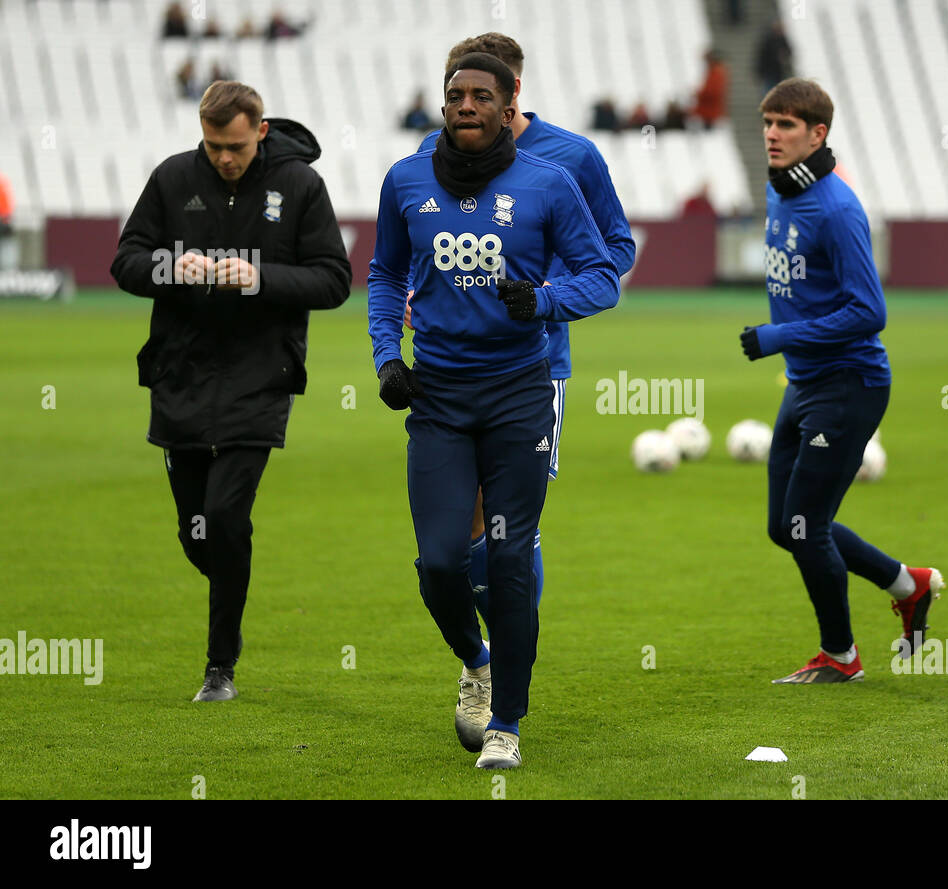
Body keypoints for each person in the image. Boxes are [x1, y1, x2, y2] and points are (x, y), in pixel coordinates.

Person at [368, 52, 620, 768]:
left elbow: (604, 276)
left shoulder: (551, 183)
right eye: (455, 95)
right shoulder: (406, 179)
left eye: (482, 95)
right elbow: (385, 272)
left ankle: (505, 721)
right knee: (439, 561)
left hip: (518, 396)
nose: (465, 105)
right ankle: (474, 660)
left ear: (511, 105)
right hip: (440, 398)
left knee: (509, 559)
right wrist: (388, 354)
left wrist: (543, 300)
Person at [109, 81, 351, 702]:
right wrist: (171, 267)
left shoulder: (299, 187)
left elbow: (333, 279)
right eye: (214, 145)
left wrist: (259, 278)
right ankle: (231, 578)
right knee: (198, 535)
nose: (223, 157)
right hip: (180, 375)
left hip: (259, 378)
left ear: (261, 131)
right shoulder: (171, 178)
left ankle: (220, 668)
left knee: (224, 518)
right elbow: (127, 261)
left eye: (236, 146)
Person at [739, 78, 944, 684]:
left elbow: (869, 312)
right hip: (805, 382)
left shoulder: (836, 207)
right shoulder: (782, 193)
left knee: (804, 526)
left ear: (818, 133)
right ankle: (910, 585)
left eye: (787, 125)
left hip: (849, 384)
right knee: (788, 526)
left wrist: (779, 337)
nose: (773, 135)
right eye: (768, 123)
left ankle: (841, 657)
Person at [691, 50, 729, 129]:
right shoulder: (714, 71)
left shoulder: (716, 72)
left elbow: (712, 91)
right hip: (708, 110)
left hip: (709, 111)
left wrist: (699, 94)